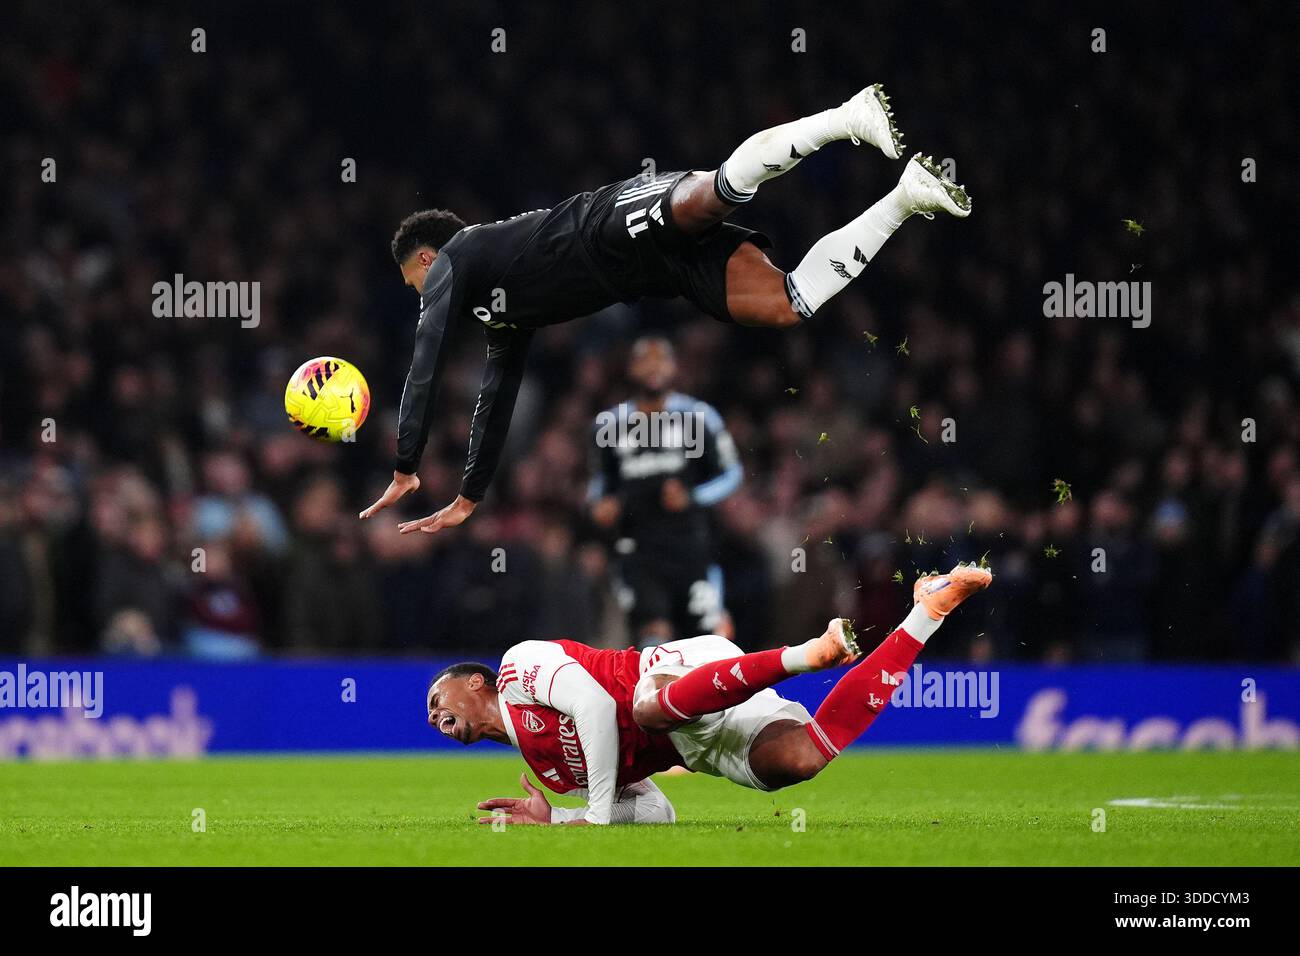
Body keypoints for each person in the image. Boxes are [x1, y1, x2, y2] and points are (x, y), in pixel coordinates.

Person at [360, 85, 970, 533]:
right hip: (654, 271)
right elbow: (498, 393)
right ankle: (906, 197)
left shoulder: (456, 257)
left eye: (414, 279)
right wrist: (469, 494)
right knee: (790, 303)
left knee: (713, 196)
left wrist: (406, 462)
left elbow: (425, 357)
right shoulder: (500, 312)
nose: (421, 293)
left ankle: (847, 116)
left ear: (426, 257)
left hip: (604, 224)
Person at [424, 564, 991, 824]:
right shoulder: (547, 771)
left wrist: (594, 813)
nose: (433, 716)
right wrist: (563, 821)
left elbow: (596, 704)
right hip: (701, 744)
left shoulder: (518, 668)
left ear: (474, 683)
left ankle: (805, 654)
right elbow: (656, 810)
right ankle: (927, 612)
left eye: (436, 700)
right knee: (800, 759)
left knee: (645, 711)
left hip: (674, 674)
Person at [588, 335, 742, 645]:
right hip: (638, 551)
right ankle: (657, 693)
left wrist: (692, 497)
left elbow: (731, 474)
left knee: (710, 639)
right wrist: (598, 506)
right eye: (646, 359)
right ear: (631, 369)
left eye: (662, 359)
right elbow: (599, 484)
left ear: (674, 367)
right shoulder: (609, 424)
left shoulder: (698, 417)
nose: (654, 366)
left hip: (692, 548)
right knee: (652, 639)